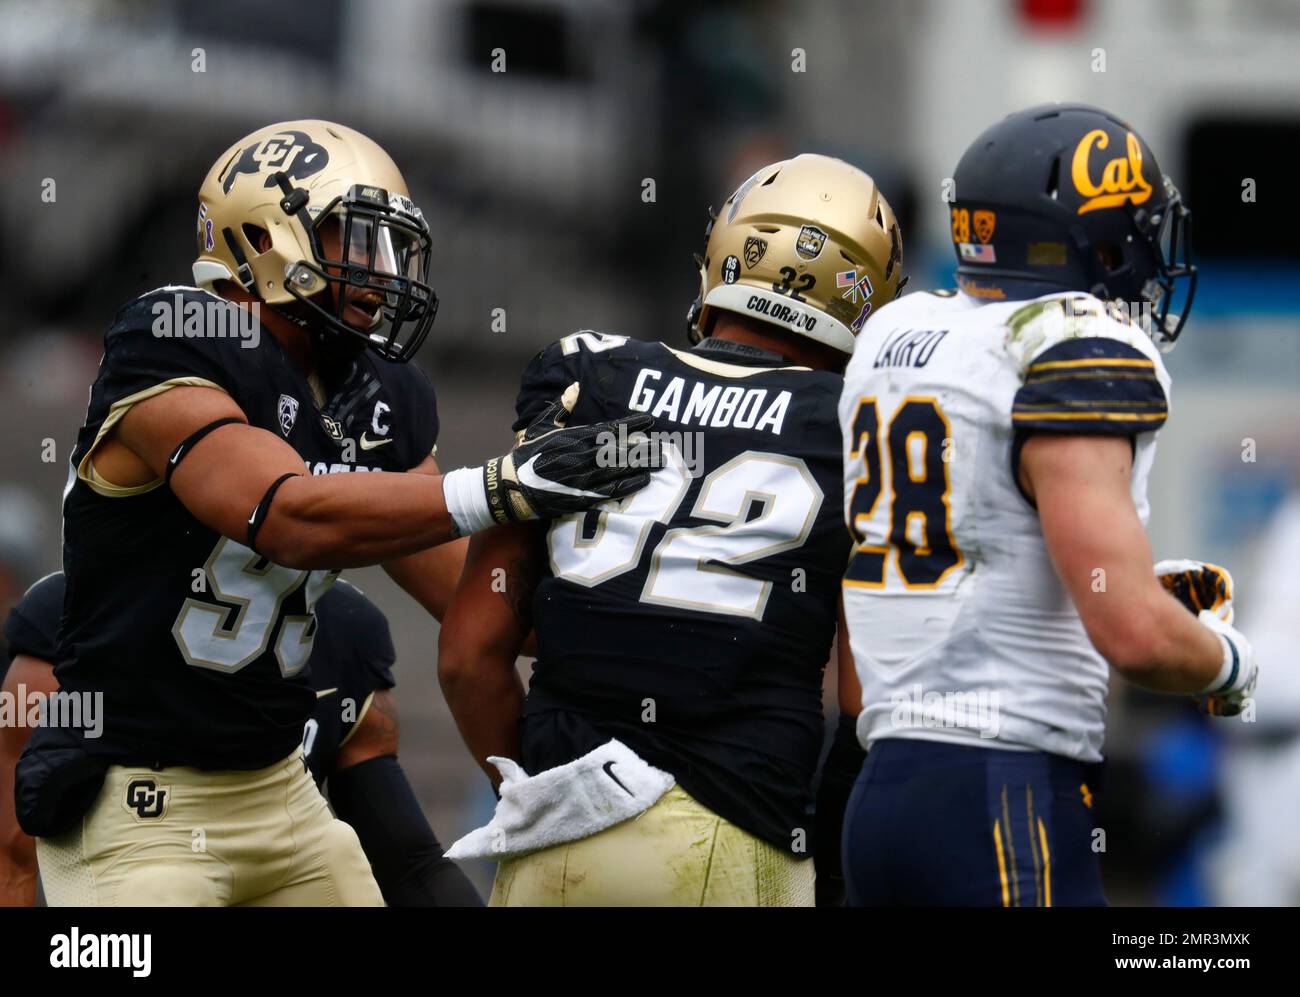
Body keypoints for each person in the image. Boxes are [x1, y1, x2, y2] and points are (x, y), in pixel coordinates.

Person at [18, 119, 654, 907]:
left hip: (281, 793)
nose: (379, 271)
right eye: (351, 240)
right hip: (141, 804)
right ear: (265, 237)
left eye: (389, 246)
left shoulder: (368, 391)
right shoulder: (176, 337)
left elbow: (480, 603)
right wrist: (504, 484)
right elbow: (284, 513)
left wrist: (645, 567)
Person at [438, 154, 905, 905]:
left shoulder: (589, 374)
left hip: (557, 842)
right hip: (731, 837)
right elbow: (863, 707)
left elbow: (467, 654)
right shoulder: (857, 427)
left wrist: (543, 799)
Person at [837, 104, 1257, 906]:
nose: (1146, 250)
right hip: (1003, 791)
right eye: (1134, 229)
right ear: (1090, 242)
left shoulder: (898, 333)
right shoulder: (1071, 341)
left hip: (883, 792)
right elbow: (1132, 633)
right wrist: (1229, 661)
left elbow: (979, 542)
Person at [1, 572, 481, 906]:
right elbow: (11, 859)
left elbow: (407, 864)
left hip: (282, 859)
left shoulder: (344, 629)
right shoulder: (73, 616)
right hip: (140, 859)